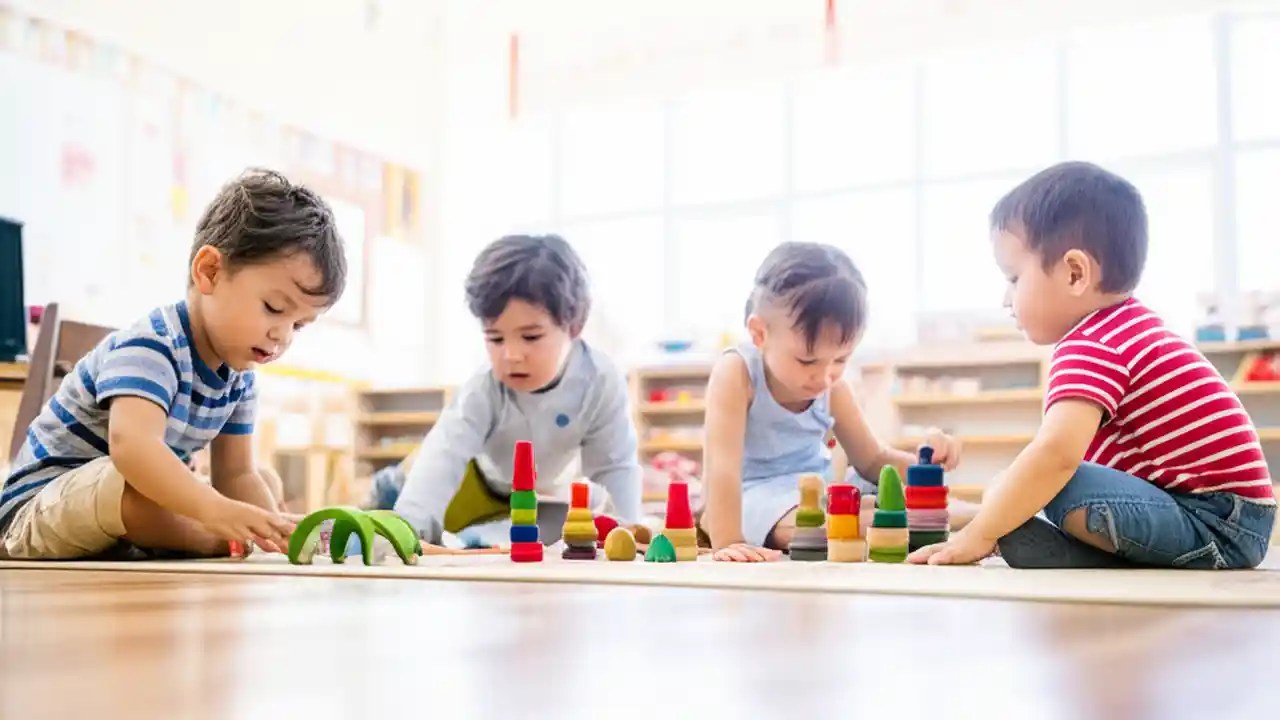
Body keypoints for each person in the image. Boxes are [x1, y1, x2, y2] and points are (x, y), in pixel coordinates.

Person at [910, 161, 1274, 569]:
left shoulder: (1092, 343)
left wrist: (977, 535)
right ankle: (1050, 547)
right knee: (1013, 488)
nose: (1005, 299)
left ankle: (1025, 536)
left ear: (1074, 273)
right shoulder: (1122, 327)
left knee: (1057, 481)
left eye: (1013, 278)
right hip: (1228, 517)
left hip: (1216, 522)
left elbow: (1056, 455)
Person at [0, 168, 345, 559]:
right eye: (273, 308)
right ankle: (220, 540)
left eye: (298, 325)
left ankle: (226, 539)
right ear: (209, 271)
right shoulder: (152, 344)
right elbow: (132, 448)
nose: (281, 336)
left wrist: (277, 534)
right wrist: (217, 511)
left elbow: (237, 474)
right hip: (37, 509)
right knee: (140, 485)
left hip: (118, 509)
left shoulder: (240, 376)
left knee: (260, 479)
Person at [700, 242, 966, 562]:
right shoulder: (736, 372)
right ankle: (972, 520)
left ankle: (989, 517)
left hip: (816, 493)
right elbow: (723, 470)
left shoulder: (833, 386)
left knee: (881, 497)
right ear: (760, 334)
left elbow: (872, 459)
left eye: (840, 359)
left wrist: (926, 469)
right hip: (747, 496)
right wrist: (729, 542)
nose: (824, 376)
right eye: (807, 360)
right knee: (821, 523)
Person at [389, 234, 644, 545]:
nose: (511, 355)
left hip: (535, 498)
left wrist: (627, 531)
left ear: (574, 326)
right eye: (495, 339)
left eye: (531, 337)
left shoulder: (600, 380)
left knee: (541, 536)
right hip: (472, 482)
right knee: (401, 501)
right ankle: (386, 488)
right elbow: (445, 454)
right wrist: (407, 525)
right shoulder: (484, 387)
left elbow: (614, 465)